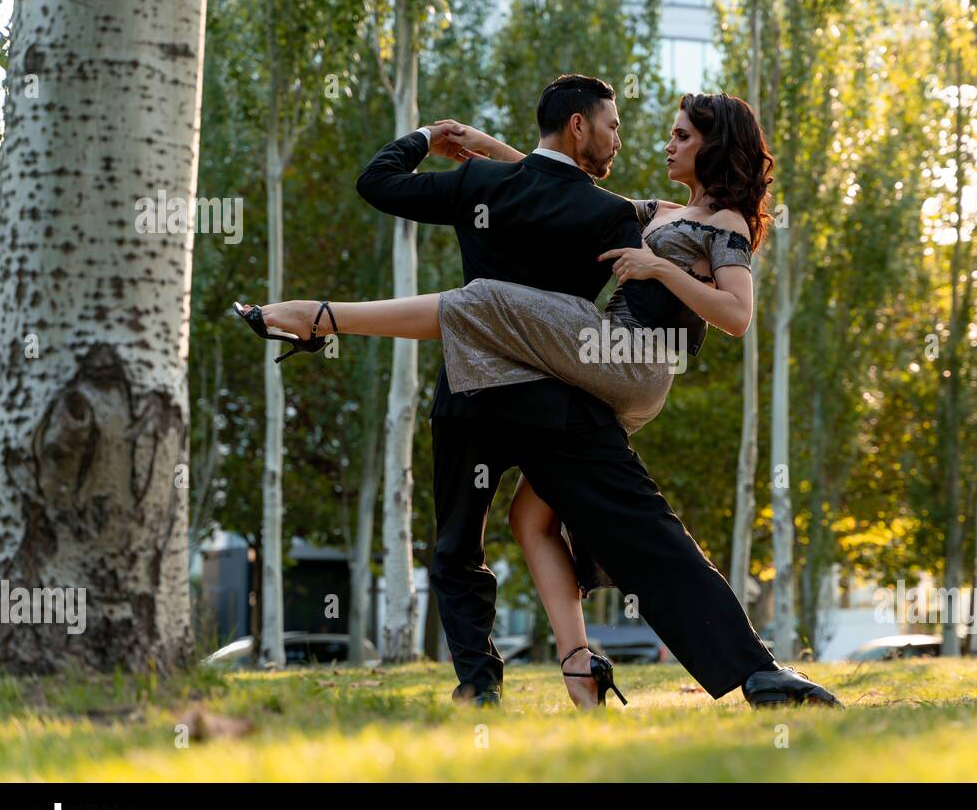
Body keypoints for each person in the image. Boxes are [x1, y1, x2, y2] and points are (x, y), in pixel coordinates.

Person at [236, 74, 840, 711]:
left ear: (716, 147)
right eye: (666, 132)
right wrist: (491, 146)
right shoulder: (661, 212)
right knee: (530, 517)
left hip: (628, 357)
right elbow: (556, 186)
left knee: (486, 300)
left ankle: (320, 318)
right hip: (600, 361)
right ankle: (582, 664)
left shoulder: (723, 221)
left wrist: (658, 267)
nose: (665, 144)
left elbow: (737, 316)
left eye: (682, 135)